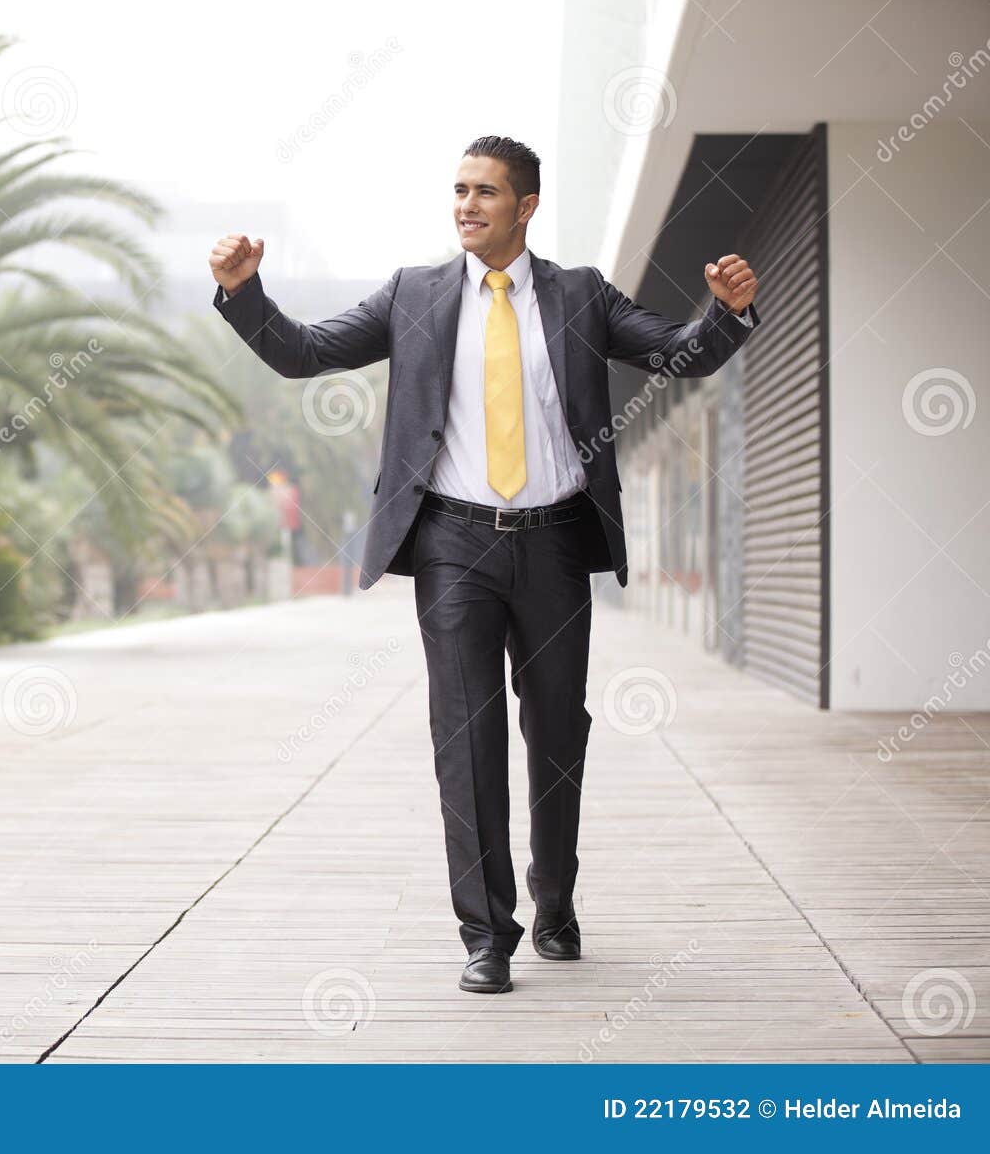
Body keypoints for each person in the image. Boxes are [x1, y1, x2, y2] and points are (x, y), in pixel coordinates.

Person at [208, 135, 761, 994]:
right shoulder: (415, 294)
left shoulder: (578, 295)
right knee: (465, 735)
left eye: (486, 192)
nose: (466, 204)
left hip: (552, 540)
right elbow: (305, 351)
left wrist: (723, 313)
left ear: (526, 206)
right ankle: (486, 933)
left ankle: (555, 897)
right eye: (459, 190)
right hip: (453, 545)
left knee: (556, 728)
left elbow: (673, 352)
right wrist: (244, 294)